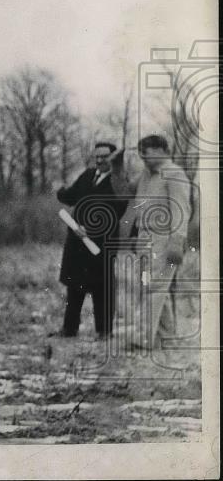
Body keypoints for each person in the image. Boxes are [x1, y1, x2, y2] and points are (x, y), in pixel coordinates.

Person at [118, 134, 192, 350]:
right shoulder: (146, 175)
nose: (143, 158)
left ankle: (143, 338)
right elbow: (123, 192)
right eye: (140, 154)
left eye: (146, 153)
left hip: (164, 240)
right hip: (144, 239)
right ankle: (166, 337)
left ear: (161, 150)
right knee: (150, 286)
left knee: (155, 287)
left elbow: (181, 210)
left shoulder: (174, 174)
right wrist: (116, 167)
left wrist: (177, 241)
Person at [54, 141, 129, 338]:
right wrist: (60, 189)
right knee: (74, 286)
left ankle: (104, 331)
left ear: (113, 158)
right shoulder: (87, 175)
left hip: (102, 243)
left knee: (101, 287)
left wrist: (92, 231)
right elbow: (70, 197)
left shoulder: (118, 181)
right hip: (77, 242)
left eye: (104, 156)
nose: (99, 160)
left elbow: (118, 211)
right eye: (96, 156)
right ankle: (69, 329)